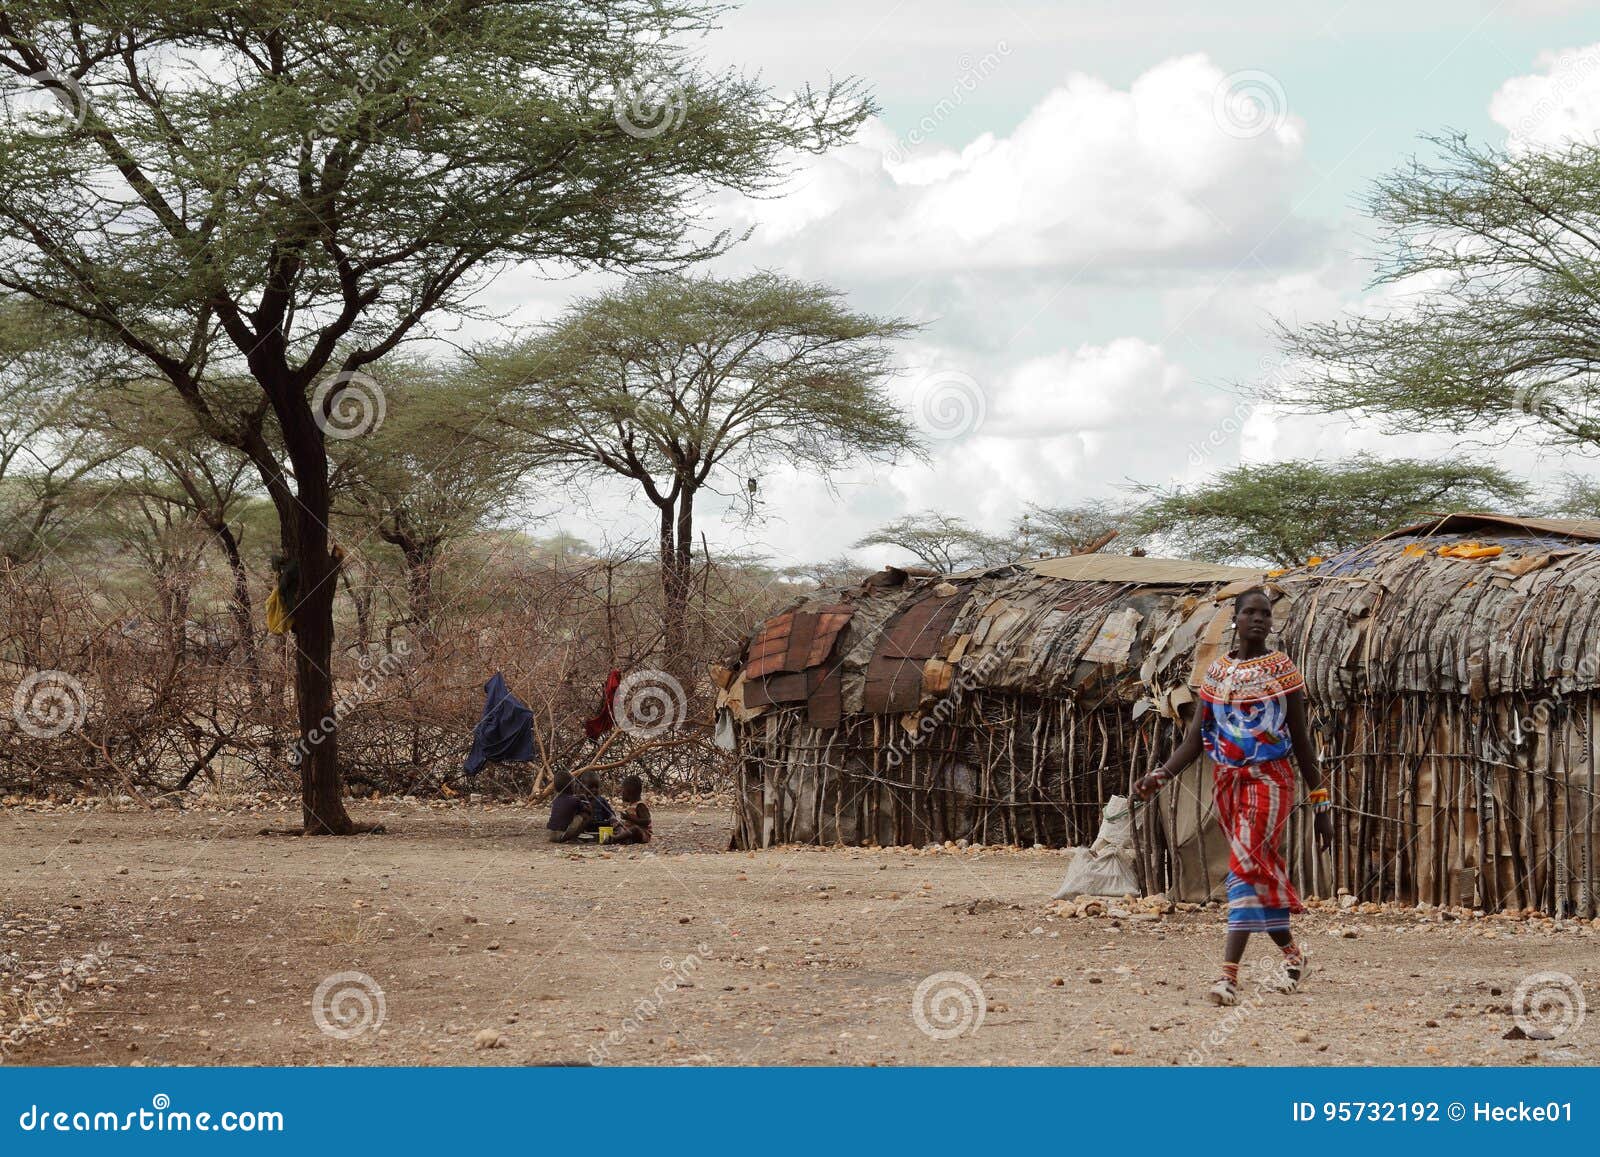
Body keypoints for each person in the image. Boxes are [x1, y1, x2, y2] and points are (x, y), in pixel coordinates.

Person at [1134, 587, 1334, 1007]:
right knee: (1257, 873)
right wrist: (1160, 775)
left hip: (1271, 782)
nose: (1258, 619)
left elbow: (1302, 742)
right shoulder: (1216, 674)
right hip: (1227, 783)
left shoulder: (1283, 671)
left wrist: (1321, 805)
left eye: (1265, 614)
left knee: (1243, 869)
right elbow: (1194, 741)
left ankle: (1228, 977)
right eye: (1250, 613)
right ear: (1236, 619)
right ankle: (1294, 957)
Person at [546, 771, 590, 843]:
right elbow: (587, 810)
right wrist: (585, 799)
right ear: (572, 786)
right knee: (585, 815)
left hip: (551, 835)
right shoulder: (575, 800)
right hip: (562, 836)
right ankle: (573, 838)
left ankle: (568, 836)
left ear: (556, 788)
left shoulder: (556, 799)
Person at [610, 774, 652, 845]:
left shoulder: (640, 805)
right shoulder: (631, 805)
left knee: (634, 829)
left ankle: (615, 839)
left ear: (629, 792)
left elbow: (646, 821)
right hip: (631, 832)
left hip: (643, 833)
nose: (622, 793)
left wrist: (628, 818)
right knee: (618, 826)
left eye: (623, 791)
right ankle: (625, 839)